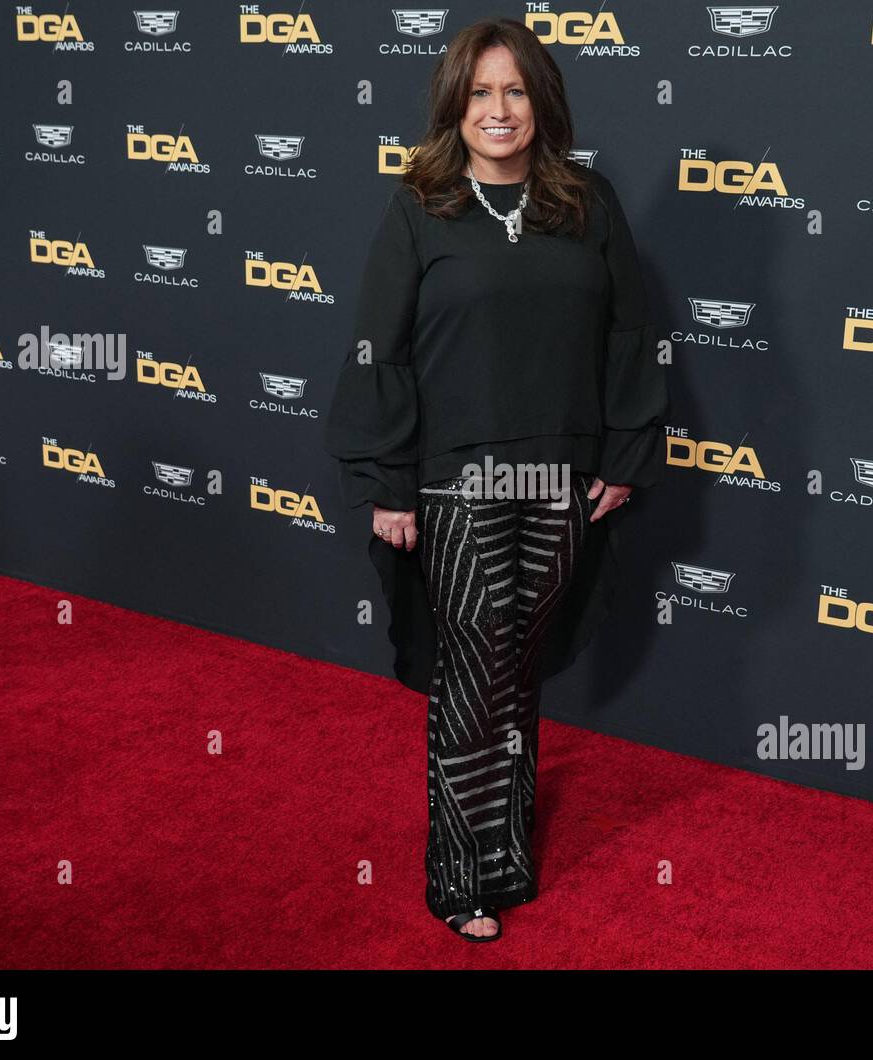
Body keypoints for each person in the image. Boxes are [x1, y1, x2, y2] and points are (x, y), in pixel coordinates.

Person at [322, 17, 668, 941]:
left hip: (560, 477)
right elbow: (378, 348)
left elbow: (628, 336)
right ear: (454, 105)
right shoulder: (420, 207)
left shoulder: (587, 204)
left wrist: (626, 458)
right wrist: (389, 482)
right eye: (480, 92)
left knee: (514, 672)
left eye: (515, 90)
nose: (499, 109)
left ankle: (505, 852)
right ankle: (460, 876)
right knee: (472, 670)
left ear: (542, 102)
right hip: (455, 486)